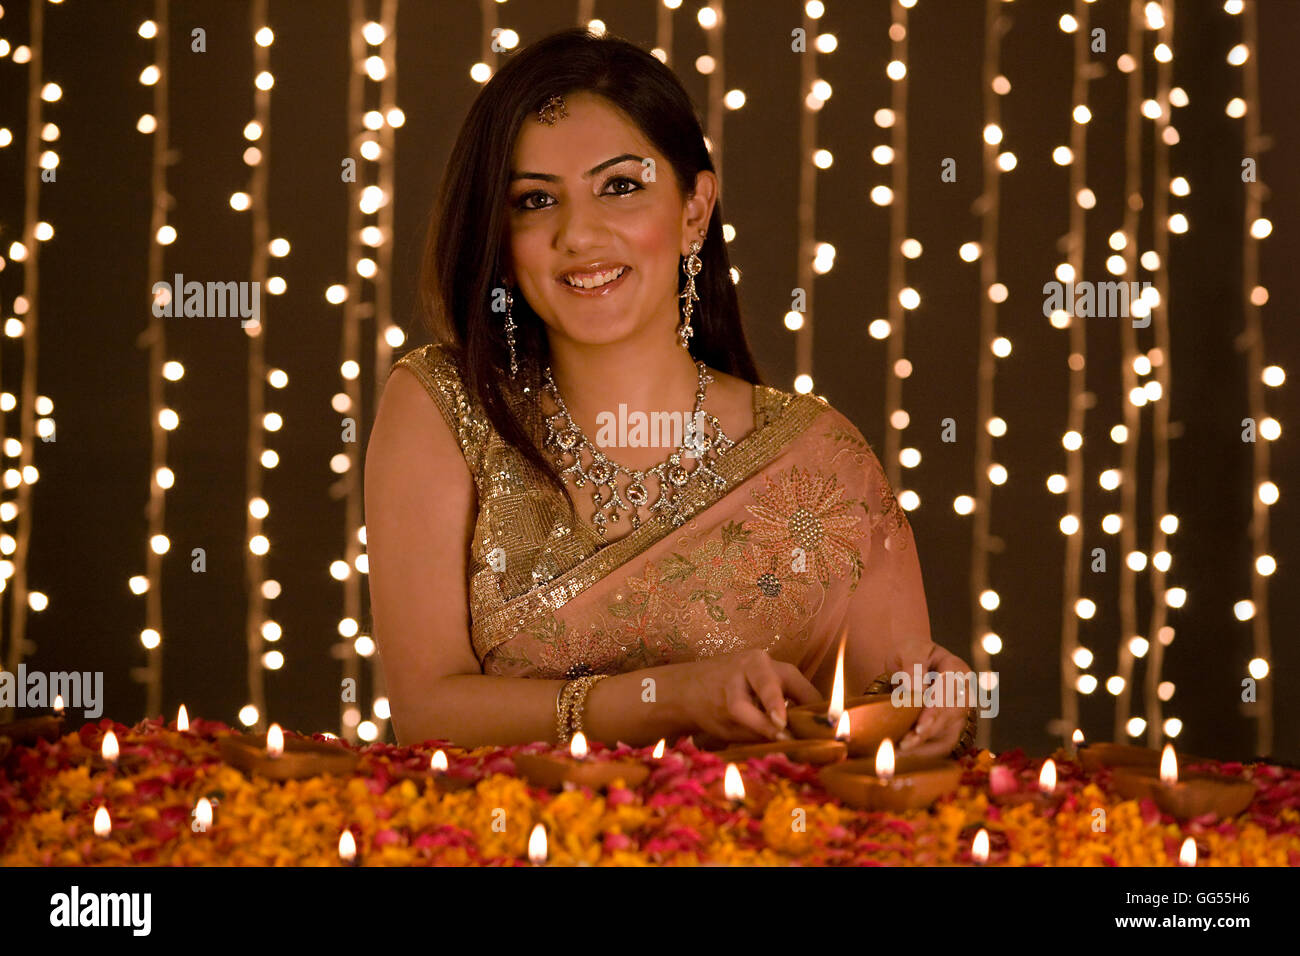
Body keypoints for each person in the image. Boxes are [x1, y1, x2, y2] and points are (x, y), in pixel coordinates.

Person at [365, 28, 976, 756]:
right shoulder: (444, 408)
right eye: (534, 200)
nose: (579, 234)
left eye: (620, 187)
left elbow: (882, 731)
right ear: (499, 234)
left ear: (693, 210)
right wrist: (672, 697)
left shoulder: (819, 463)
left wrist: (934, 701)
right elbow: (428, 716)